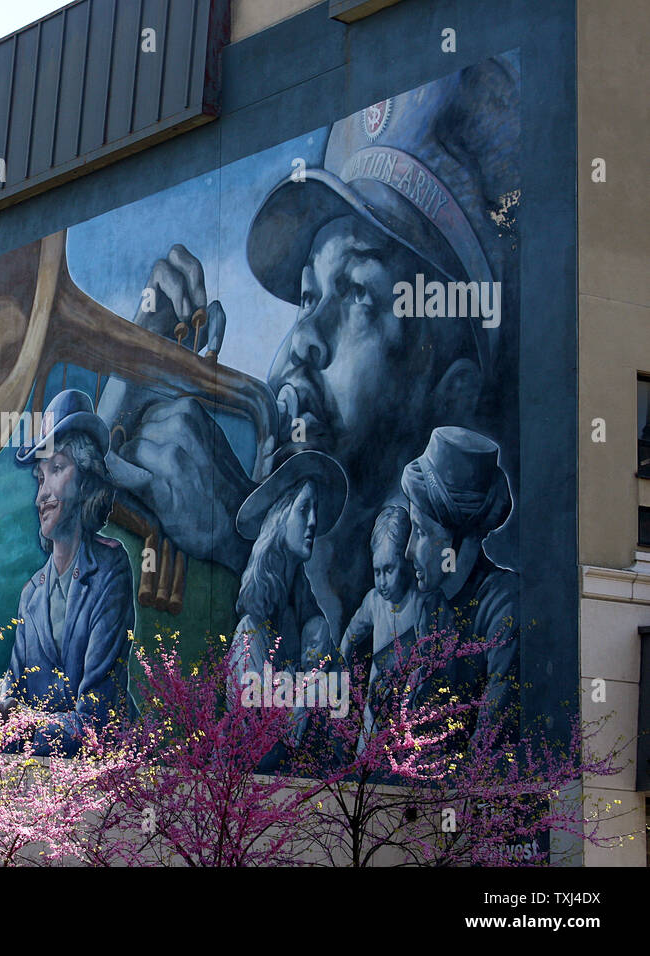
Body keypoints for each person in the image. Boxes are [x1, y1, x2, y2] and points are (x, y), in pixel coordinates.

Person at [98, 57, 521, 642]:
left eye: (359, 296)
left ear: (452, 392)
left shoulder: (453, 618)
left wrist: (230, 543)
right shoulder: (252, 542)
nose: (304, 339)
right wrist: (128, 373)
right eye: (306, 297)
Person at [0, 389, 137, 756]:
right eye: (40, 479)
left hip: (110, 784)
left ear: (87, 479)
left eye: (56, 470)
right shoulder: (31, 596)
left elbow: (97, 721)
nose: (41, 496)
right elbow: (15, 689)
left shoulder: (110, 569)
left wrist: (20, 727)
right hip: (40, 783)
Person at [400, 426, 519, 746]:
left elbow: (493, 737)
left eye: (421, 532)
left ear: (461, 540)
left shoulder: (504, 606)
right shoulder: (432, 607)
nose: (409, 550)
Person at [229, 449, 347, 745]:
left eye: (315, 510)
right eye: (304, 508)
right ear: (281, 516)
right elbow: (253, 727)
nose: (313, 522)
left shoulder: (308, 616)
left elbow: (338, 697)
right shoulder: (251, 630)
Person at [339, 507, 447, 748]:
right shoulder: (374, 601)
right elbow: (350, 636)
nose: (382, 582)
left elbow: (434, 662)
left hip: (411, 713)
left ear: (406, 562)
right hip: (374, 714)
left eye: (389, 570)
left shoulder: (424, 601)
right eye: (377, 572)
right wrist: (343, 662)